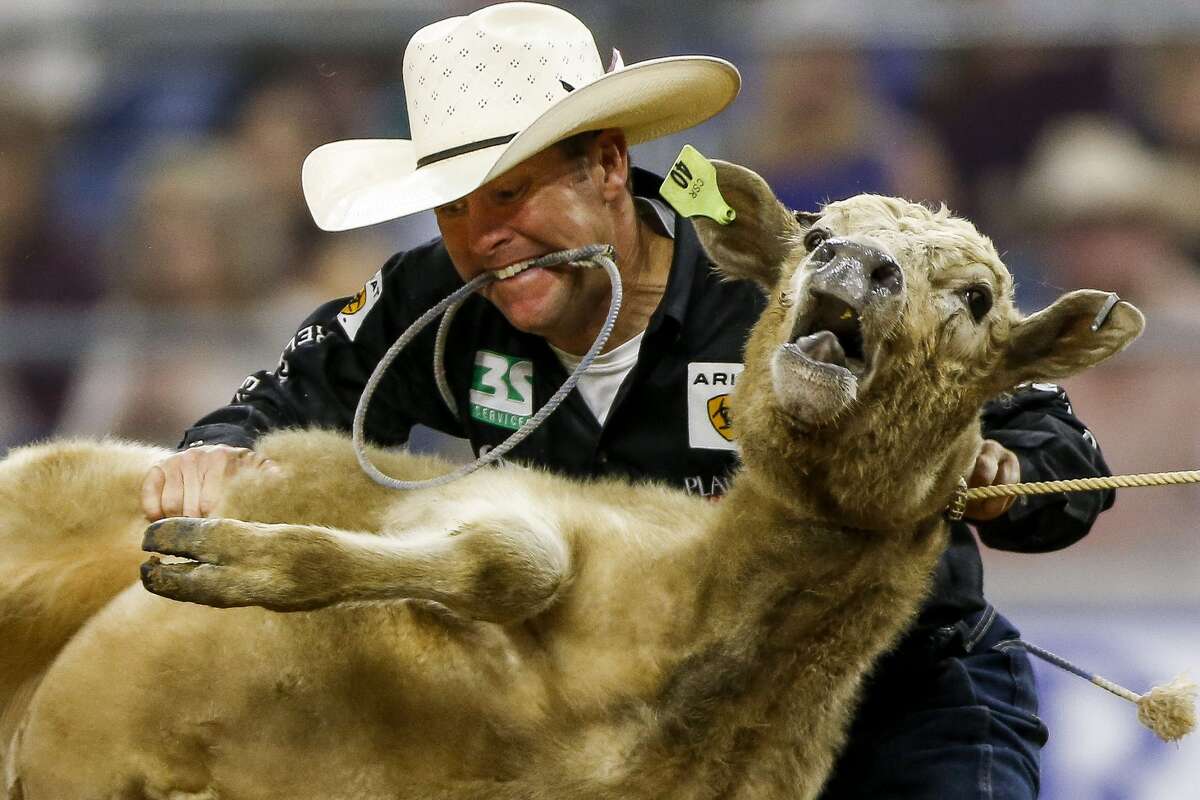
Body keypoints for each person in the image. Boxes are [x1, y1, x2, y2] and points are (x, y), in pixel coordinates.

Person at [140, 4, 1114, 798]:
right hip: (643, 724)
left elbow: (1064, 461)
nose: (484, 239)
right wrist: (219, 447)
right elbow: (287, 389)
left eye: (513, 194)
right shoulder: (432, 301)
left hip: (897, 701)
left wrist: (1003, 479)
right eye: (457, 207)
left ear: (607, 166)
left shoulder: (799, 277)